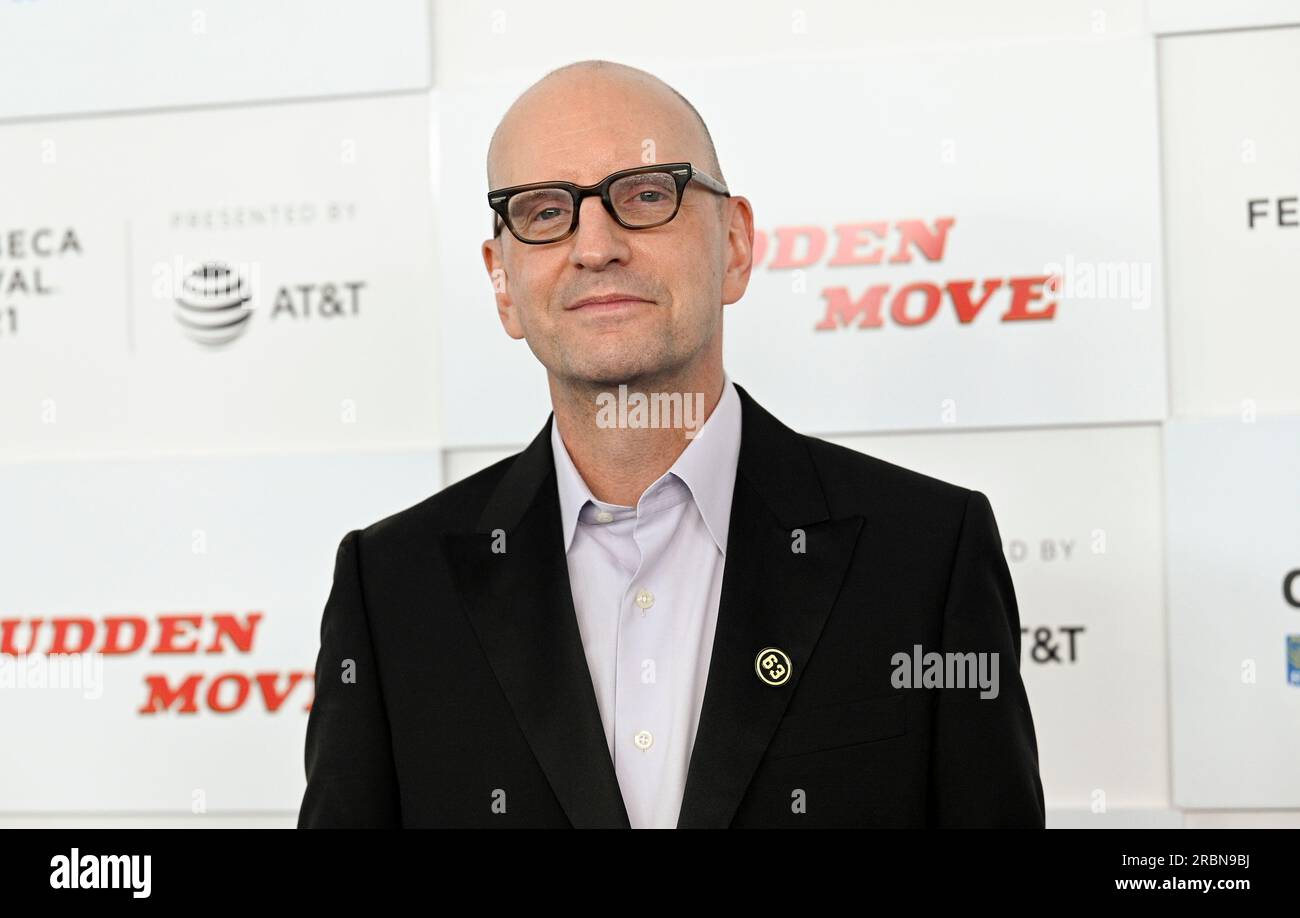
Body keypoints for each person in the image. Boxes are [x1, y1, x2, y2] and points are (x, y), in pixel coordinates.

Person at [298, 59, 1045, 828]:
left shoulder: (925, 555)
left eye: (646, 194)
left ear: (736, 243)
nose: (596, 245)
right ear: (502, 282)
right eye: (545, 211)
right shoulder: (391, 589)